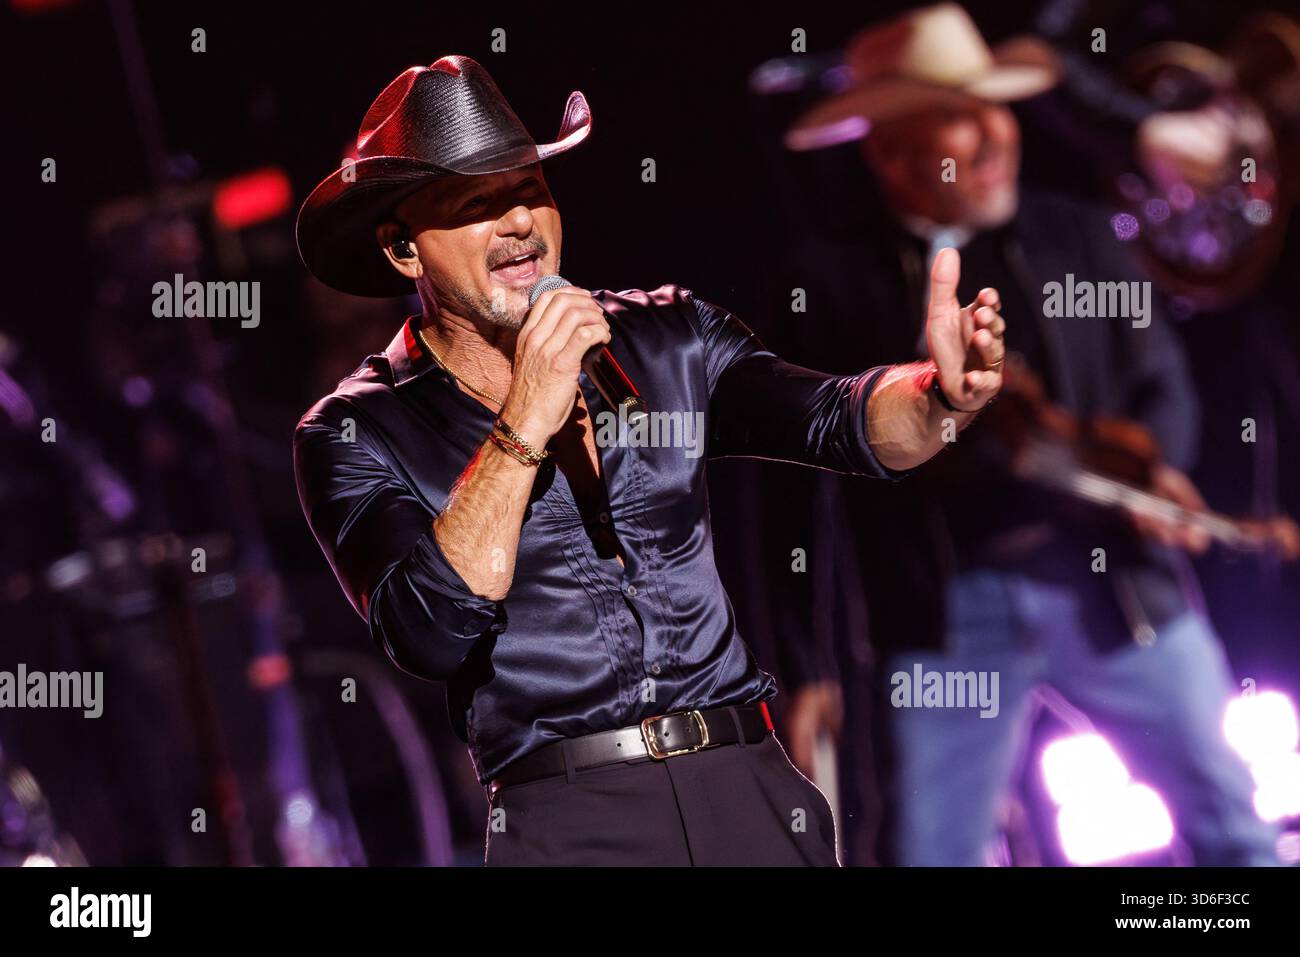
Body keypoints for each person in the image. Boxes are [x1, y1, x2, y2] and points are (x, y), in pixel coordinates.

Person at [291, 54, 1005, 865]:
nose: (520, 221)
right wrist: (529, 409)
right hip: (570, 816)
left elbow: (839, 422)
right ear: (402, 250)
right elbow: (429, 630)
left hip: (748, 783)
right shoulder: (354, 431)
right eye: (476, 203)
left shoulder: (669, 334)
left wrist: (941, 396)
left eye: (530, 189)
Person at [771, 4, 1279, 865]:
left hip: (1117, 588)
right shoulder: (835, 287)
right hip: (949, 610)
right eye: (955, 121)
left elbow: (1161, 381)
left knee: (1236, 834)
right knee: (932, 853)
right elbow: (788, 487)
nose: (990, 136)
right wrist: (806, 663)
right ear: (891, 154)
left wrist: (1151, 470)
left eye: (992, 110)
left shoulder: (1074, 232)